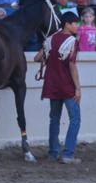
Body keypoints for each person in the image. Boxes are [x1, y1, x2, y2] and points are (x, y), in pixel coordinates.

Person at [34, 10, 82, 164]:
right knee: (75, 119)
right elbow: (72, 65)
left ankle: (53, 152)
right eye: (75, 24)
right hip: (66, 85)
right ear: (67, 24)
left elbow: (37, 58)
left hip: (52, 84)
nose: (77, 27)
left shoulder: (50, 39)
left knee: (54, 119)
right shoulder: (72, 41)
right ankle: (68, 154)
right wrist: (78, 88)